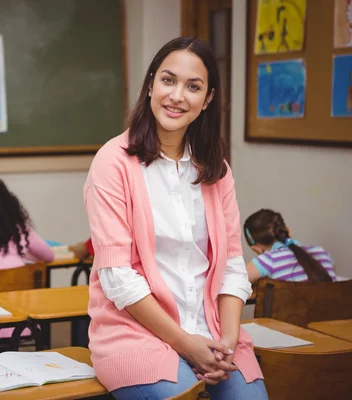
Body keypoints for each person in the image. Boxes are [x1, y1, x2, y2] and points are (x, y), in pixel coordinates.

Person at [83, 36, 268, 399]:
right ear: (151, 83)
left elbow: (232, 264)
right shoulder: (113, 162)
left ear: (208, 99)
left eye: (193, 86)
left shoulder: (217, 170)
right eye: (168, 80)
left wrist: (228, 340)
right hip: (134, 334)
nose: (177, 95)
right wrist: (186, 344)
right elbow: (118, 278)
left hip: (214, 330)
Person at [243, 209, 336, 284]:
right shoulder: (322, 253)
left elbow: (234, 282)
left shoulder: (268, 260)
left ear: (256, 248)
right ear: (288, 230)